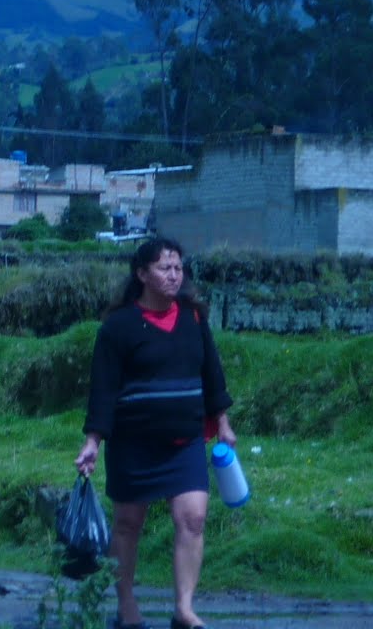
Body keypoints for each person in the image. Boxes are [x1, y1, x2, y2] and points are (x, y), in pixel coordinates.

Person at [75, 236, 235, 629]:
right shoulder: (118, 327)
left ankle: (184, 608)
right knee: (128, 524)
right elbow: (104, 390)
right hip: (134, 445)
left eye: (178, 267)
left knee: (194, 518)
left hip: (185, 443)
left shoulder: (194, 318)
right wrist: (93, 441)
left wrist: (224, 424)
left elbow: (212, 375)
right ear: (142, 274)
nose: (174, 275)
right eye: (165, 268)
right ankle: (126, 605)